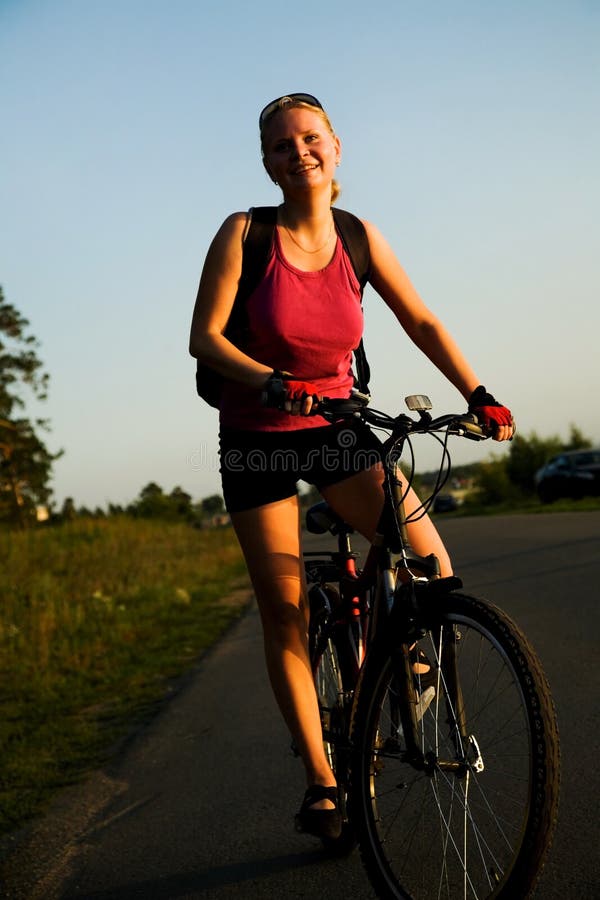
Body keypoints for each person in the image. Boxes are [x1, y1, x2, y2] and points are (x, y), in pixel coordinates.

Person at [189, 93, 514, 841]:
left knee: (431, 563)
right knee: (285, 611)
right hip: (259, 435)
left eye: (310, 138)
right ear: (268, 163)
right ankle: (323, 780)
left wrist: (478, 394)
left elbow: (420, 318)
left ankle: (405, 674)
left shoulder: (359, 238)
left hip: (337, 428)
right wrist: (272, 383)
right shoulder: (244, 233)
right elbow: (204, 338)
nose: (298, 152)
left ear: (336, 148)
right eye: (281, 145)